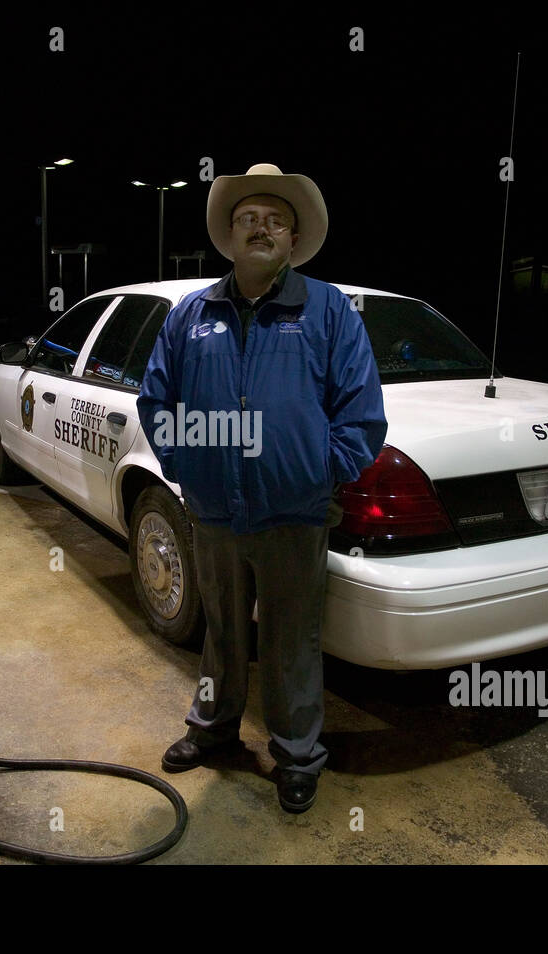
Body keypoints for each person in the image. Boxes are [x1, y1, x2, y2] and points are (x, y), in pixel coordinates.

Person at [137, 163, 387, 813]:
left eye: (275, 220)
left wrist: (317, 471)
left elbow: (360, 414)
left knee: (290, 637)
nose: (261, 228)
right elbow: (157, 398)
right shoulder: (193, 315)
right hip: (215, 509)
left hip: (295, 514)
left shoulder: (328, 310)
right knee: (221, 629)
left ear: (293, 237)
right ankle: (215, 731)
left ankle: (298, 752)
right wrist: (185, 463)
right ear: (229, 231)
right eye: (248, 218)